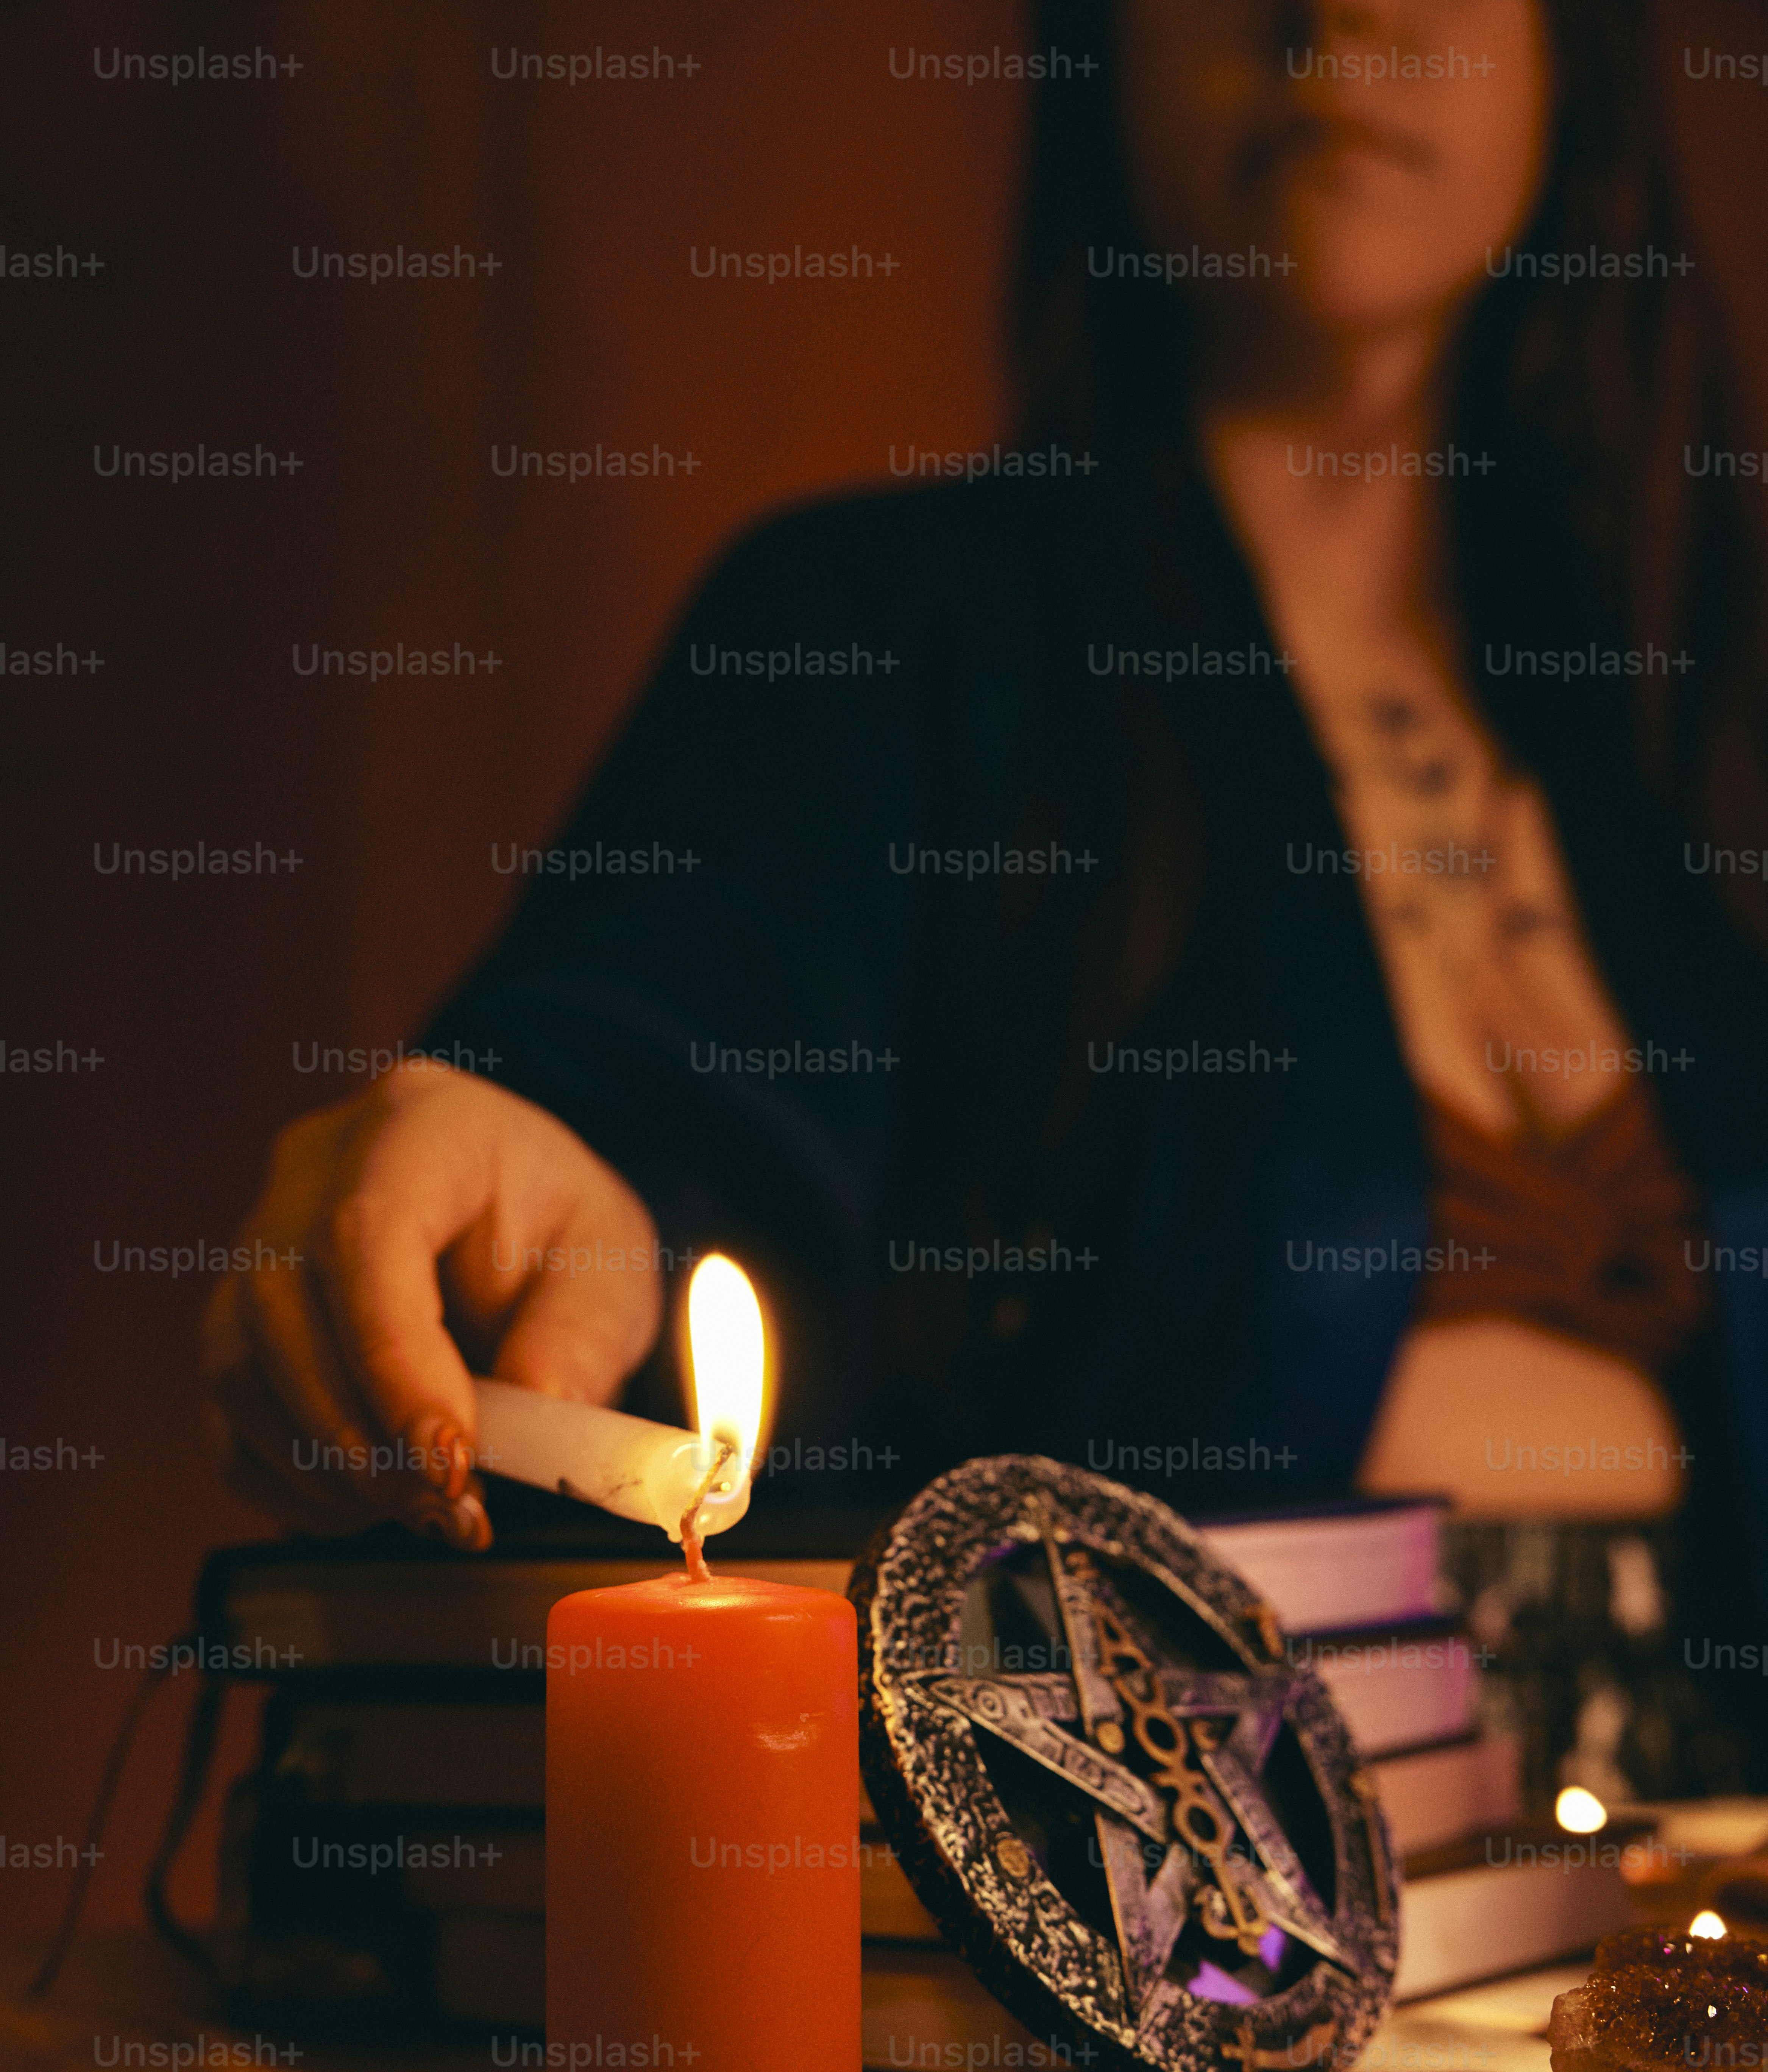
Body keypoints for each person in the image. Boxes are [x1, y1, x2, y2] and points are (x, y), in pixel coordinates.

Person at [204, 0, 1768, 1784]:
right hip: (1188, 1948)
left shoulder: (1706, 731)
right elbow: (655, 1084)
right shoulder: (877, 644)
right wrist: (526, 1179)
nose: (1324, 15)